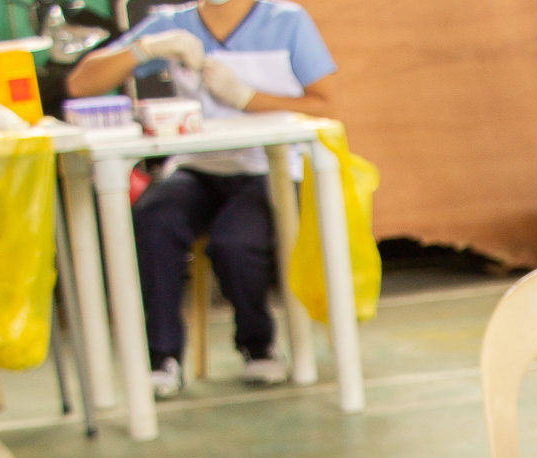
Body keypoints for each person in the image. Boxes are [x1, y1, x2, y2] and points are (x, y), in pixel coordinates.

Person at [66, 0, 338, 400]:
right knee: (154, 219)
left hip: (271, 168)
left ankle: (258, 344)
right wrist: (145, 49)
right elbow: (80, 85)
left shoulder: (286, 21)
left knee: (235, 241)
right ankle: (161, 358)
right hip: (199, 166)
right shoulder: (172, 24)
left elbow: (327, 106)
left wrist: (246, 97)